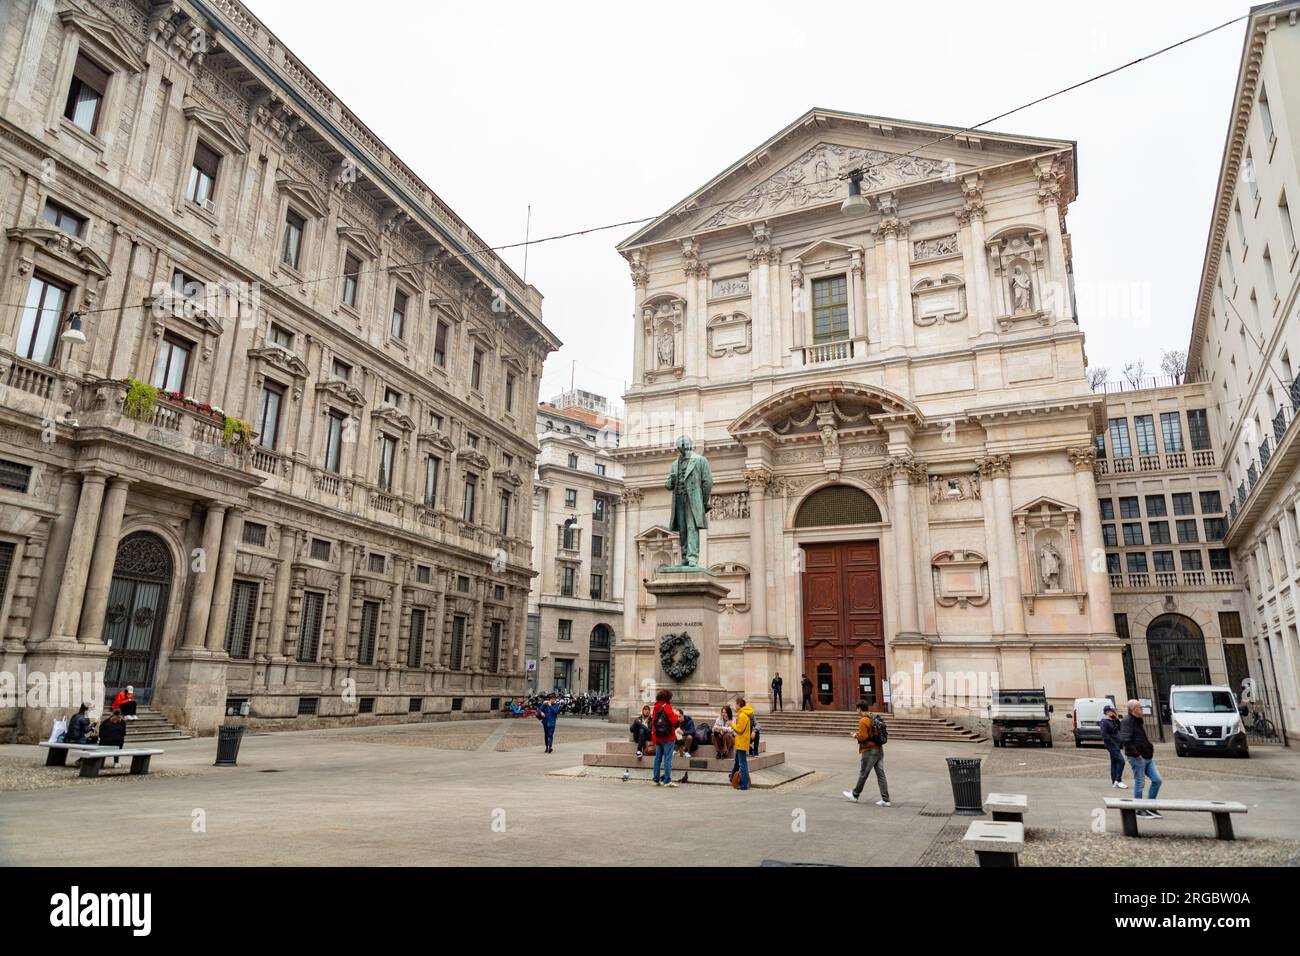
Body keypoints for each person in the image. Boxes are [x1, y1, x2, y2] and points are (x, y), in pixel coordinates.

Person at [1119, 699, 1162, 817]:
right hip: (1137, 758)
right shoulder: (1127, 721)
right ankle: (1139, 809)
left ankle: (1150, 806)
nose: (1142, 709)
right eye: (1140, 707)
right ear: (1133, 710)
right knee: (1140, 782)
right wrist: (1136, 754)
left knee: (1157, 780)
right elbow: (1125, 740)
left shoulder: (1138, 720)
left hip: (1147, 757)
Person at [843, 700, 891, 806]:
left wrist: (855, 735)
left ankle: (855, 794)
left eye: (857, 708)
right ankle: (886, 799)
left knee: (863, 773)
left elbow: (864, 737)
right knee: (881, 774)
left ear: (859, 708)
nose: (856, 710)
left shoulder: (863, 720)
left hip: (869, 750)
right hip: (879, 749)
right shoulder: (872, 716)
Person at [650, 690, 679, 786]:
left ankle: (656, 779)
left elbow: (653, 722)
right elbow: (674, 721)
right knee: (667, 759)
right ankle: (667, 780)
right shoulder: (667, 707)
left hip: (658, 736)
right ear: (667, 698)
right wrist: (676, 714)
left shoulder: (656, 707)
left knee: (657, 759)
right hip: (668, 737)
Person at [728, 697, 754, 790]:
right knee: (738, 762)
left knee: (742, 764)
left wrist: (731, 724)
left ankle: (743, 784)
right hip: (740, 742)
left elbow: (739, 730)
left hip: (741, 743)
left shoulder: (742, 715)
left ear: (739, 705)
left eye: (736, 704)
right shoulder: (742, 714)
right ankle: (732, 776)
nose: (735, 706)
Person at [1100, 703, 1127, 789]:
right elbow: (1104, 735)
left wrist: (1116, 719)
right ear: (1107, 712)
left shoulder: (1112, 720)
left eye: (1113, 711)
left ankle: (1114, 781)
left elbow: (1119, 728)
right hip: (1112, 745)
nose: (1113, 712)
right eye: (1111, 711)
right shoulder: (1104, 721)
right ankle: (1118, 780)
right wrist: (1113, 743)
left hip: (1117, 744)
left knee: (1114, 762)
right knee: (1121, 761)